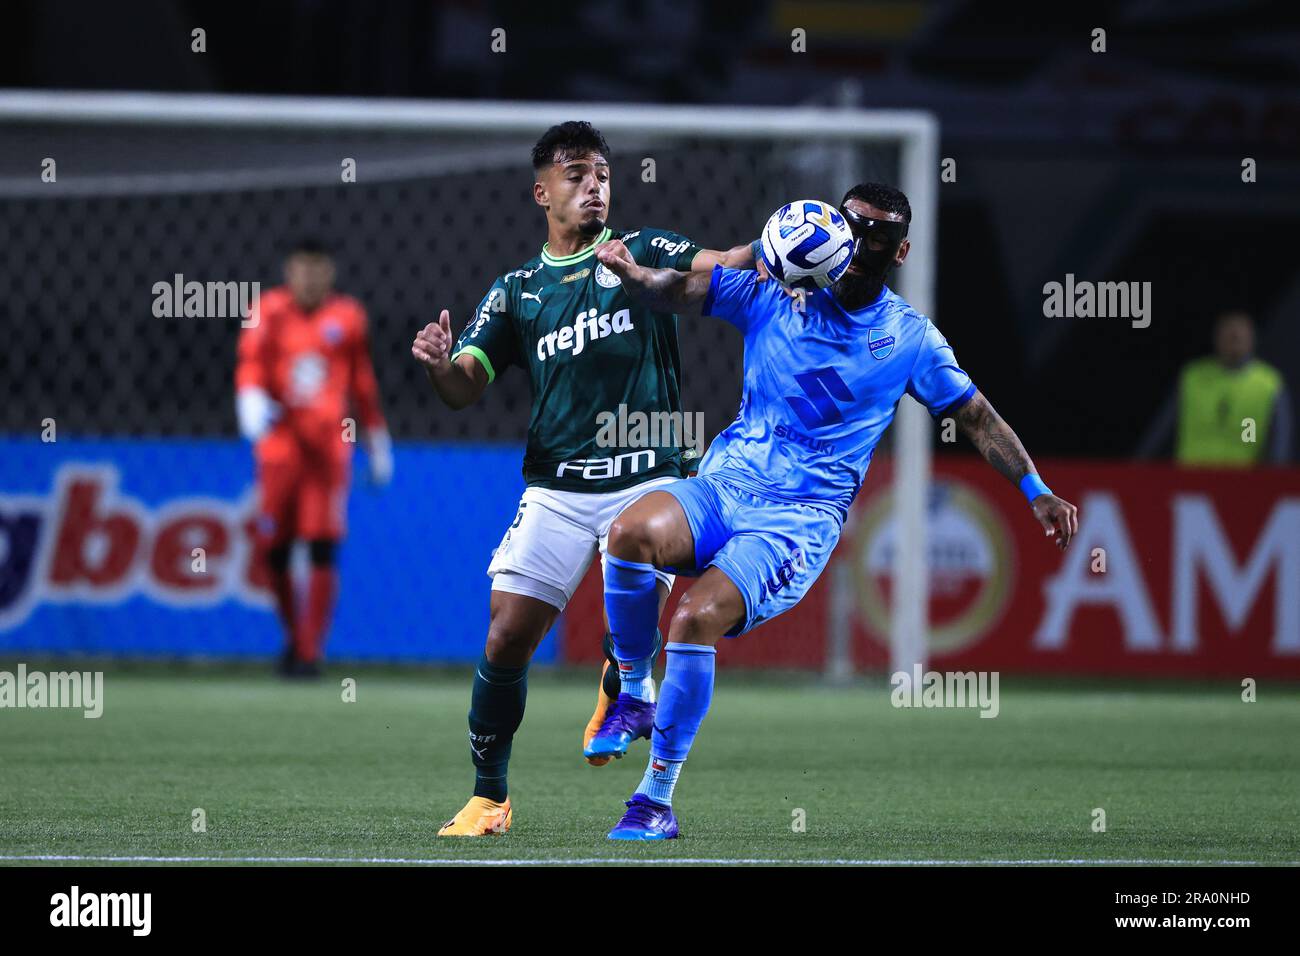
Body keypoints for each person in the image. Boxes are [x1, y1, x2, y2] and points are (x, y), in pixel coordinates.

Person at [590, 183, 1080, 840]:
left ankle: (655, 797)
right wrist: (630, 274)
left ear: (900, 249)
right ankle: (634, 691)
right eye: (849, 225)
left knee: (694, 615)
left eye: (876, 234)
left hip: (797, 521)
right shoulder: (772, 287)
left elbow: (977, 419)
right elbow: (677, 289)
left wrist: (1036, 490)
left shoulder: (909, 340)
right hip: (723, 487)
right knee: (626, 533)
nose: (856, 241)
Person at [411, 121, 758, 836]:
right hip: (558, 489)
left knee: (629, 596)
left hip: (648, 476)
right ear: (542, 192)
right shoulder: (515, 293)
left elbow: (726, 261)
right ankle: (489, 798)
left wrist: (784, 241)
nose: (593, 183)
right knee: (506, 637)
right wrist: (443, 365)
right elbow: (463, 387)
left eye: (601, 172)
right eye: (575, 173)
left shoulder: (647, 251)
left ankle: (623, 683)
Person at [235, 240, 392, 677]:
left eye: (318, 270)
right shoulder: (267, 311)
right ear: (289, 270)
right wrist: (248, 395)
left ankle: (309, 652)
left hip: (327, 450)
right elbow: (250, 363)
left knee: (322, 545)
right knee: (275, 548)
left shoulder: (348, 317)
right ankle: (295, 637)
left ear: (330, 273)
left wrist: (376, 438)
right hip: (280, 447)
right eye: (303, 269)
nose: (310, 278)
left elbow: (362, 382)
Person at [1137, 310, 1292, 465]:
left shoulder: (1268, 384)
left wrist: (1275, 478)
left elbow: (1280, 443)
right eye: (1228, 335)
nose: (1234, 340)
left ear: (1252, 339)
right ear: (1216, 337)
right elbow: (1161, 430)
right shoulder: (1193, 377)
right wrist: (1138, 465)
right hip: (1191, 477)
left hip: (1241, 480)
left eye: (1239, 336)